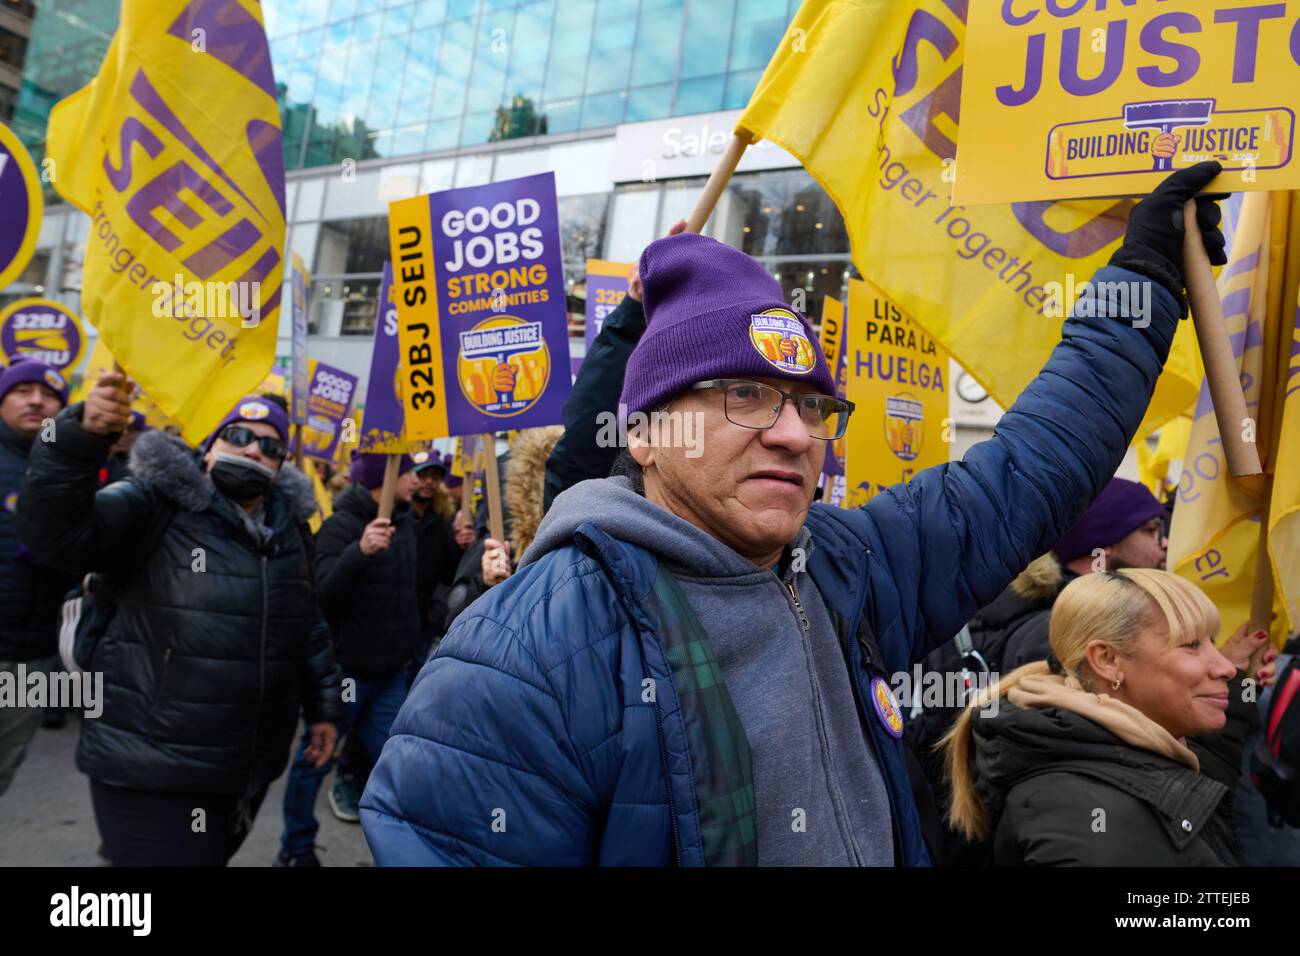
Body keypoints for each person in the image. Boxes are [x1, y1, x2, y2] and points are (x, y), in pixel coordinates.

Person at [361, 163, 1228, 866]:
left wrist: (1143, 284)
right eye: (745, 394)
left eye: (812, 406)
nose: (791, 434)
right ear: (647, 434)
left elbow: (1030, 469)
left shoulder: (846, 562)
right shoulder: (519, 658)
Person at [17, 383, 343, 866]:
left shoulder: (288, 527)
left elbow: (307, 621)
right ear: (209, 445)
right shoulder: (153, 501)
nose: (254, 449)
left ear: (281, 464)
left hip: (245, 767)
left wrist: (324, 708)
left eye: (271, 445)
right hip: (150, 764)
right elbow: (57, 535)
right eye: (237, 434)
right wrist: (78, 439)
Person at [942, 570, 1273, 865]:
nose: (1224, 667)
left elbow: (1176, 781)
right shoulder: (1085, 819)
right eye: (1190, 645)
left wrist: (1237, 688)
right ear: (1108, 661)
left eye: (1211, 642)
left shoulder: (1107, 747)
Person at [277, 453, 420, 866]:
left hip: (392, 674)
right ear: (382, 479)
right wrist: (358, 552)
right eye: (406, 472)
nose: (412, 480)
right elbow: (321, 595)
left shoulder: (405, 522)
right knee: (315, 760)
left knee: (397, 765)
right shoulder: (340, 527)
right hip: (347, 675)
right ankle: (296, 847)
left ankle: (400, 853)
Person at [0, 360, 75, 792]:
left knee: (4, 766)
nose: (35, 400)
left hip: (32, 660)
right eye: (22, 391)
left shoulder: (71, 468)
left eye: (48, 395)